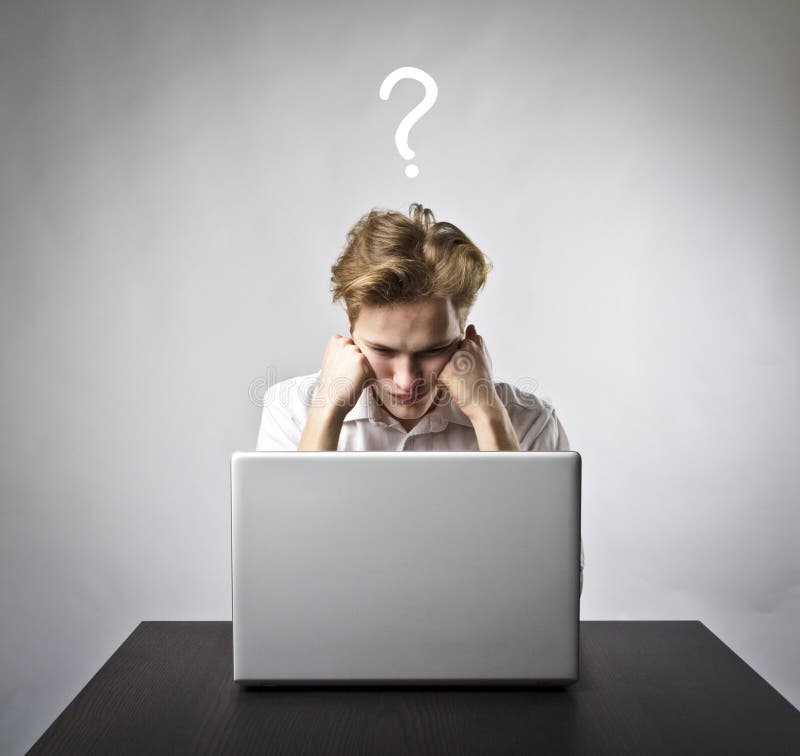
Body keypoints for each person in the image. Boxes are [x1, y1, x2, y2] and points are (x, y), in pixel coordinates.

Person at [255, 202, 583, 593]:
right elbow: (284, 578)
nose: (406, 379)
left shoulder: (529, 421)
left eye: (432, 350)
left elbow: (546, 590)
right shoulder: (291, 408)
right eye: (383, 351)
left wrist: (487, 414)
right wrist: (327, 410)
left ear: (466, 336)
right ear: (349, 326)